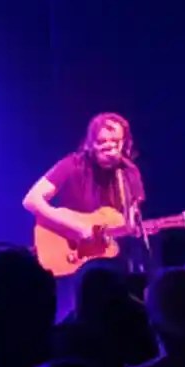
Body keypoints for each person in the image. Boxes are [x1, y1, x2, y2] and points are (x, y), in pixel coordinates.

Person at [22, 112, 146, 318]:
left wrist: (133, 228)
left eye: (115, 142)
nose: (109, 147)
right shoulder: (72, 165)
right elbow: (31, 200)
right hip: (71, 257)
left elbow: (131, 221)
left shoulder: (128, 173)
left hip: (111, 261)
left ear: (125, 143)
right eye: (101, 142)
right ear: (90, 143)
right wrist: (76, 227)